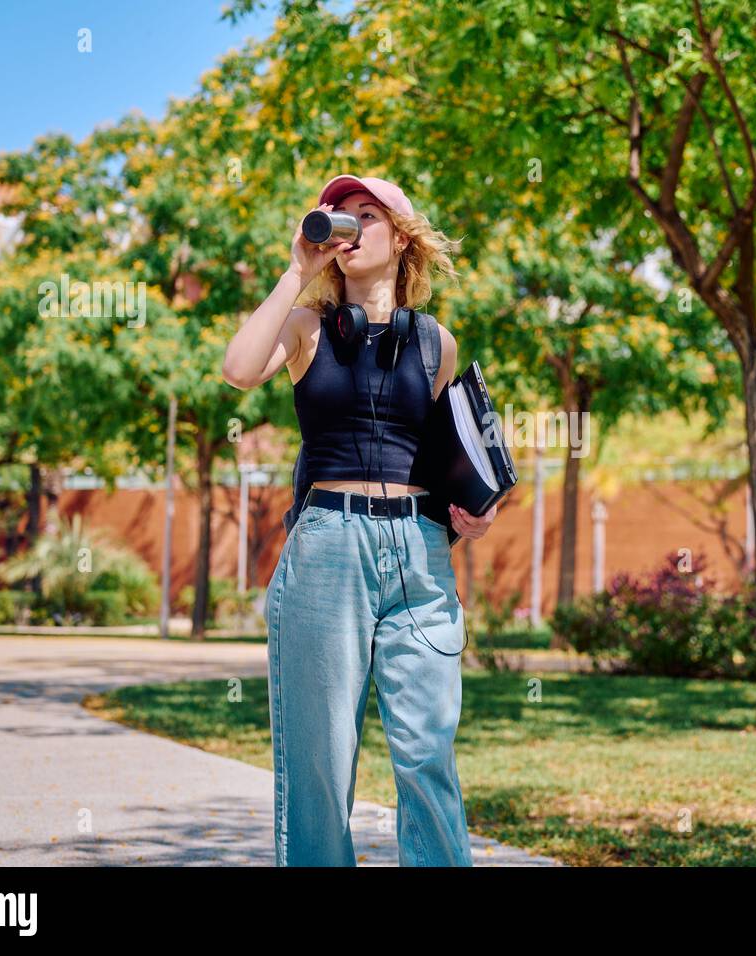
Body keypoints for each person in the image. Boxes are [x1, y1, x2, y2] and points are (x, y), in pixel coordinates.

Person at [222, 173, 497, 867]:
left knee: (427, 752)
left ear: (402, 236)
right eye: (335, 216)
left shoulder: (438, 342)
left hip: (419, 552)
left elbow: (439, 459)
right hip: (328, 548)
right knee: (320, 763)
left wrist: (470, 514)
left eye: (364, 216)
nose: (345, 227)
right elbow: (238, 368)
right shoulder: (308, 327)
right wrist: (297, 270)